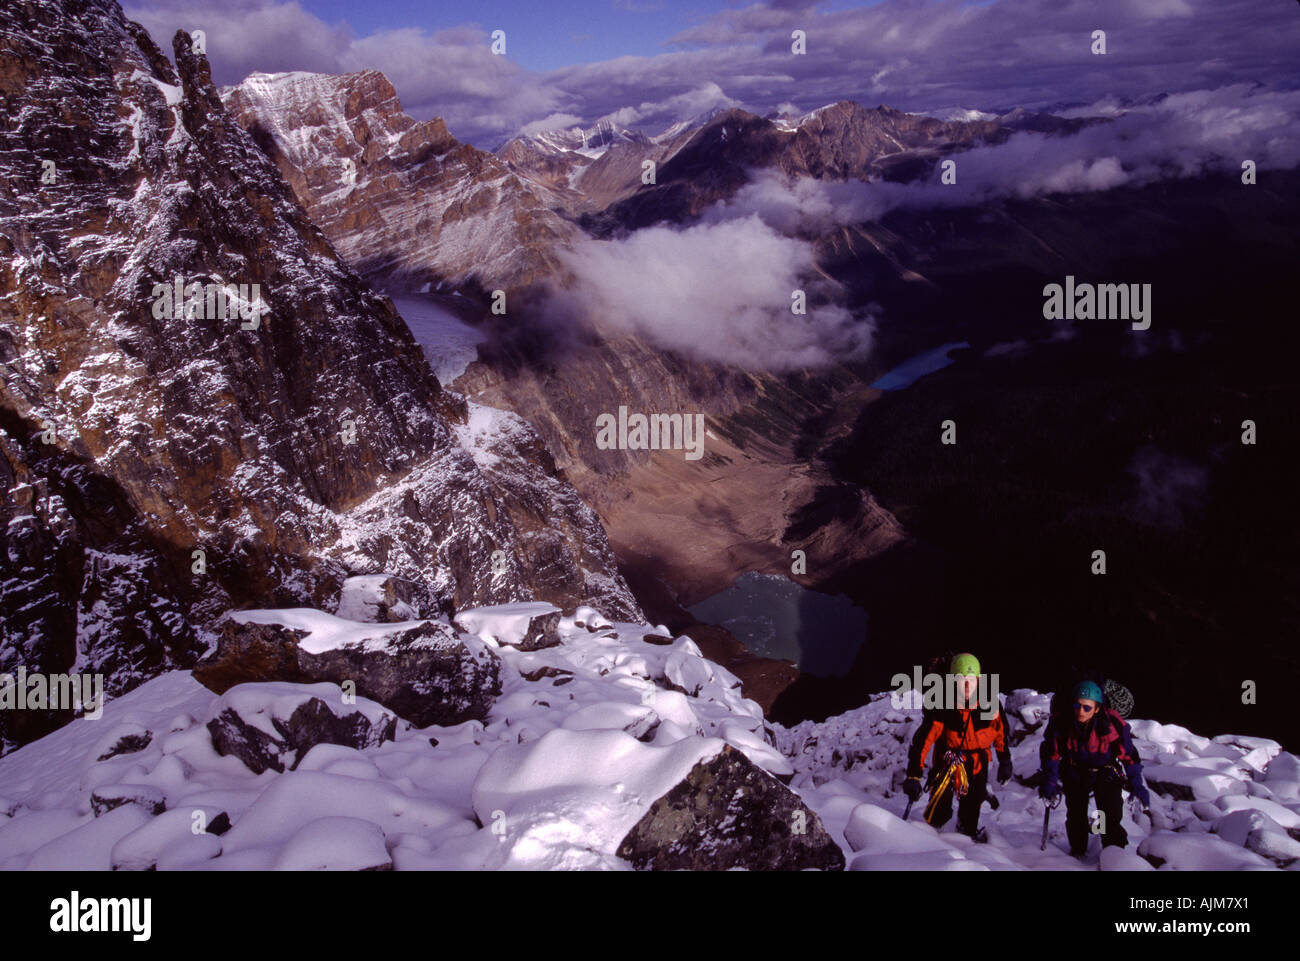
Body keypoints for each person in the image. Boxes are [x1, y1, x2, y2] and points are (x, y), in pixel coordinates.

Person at [903, 652, 1011, 839]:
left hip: (977, 764)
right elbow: (924, 740)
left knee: (971, 808)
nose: (967, 684)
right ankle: (930, 838)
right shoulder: (943, 705)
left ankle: (966, 841)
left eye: (971, 679)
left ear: (979, 680)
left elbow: (1000, 733)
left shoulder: (989, 704)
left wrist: (1005, 760)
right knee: (938, 808)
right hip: (948, 760)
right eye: (961, 679)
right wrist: (914, 774)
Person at [1039, 680, 1150, 857]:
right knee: (1076, 814)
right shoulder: (1063, 723)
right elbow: (1050, 753)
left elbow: (1128, 755)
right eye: (1077, 705)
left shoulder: (1111, 723)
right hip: (1075, 769)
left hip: (1104, 771)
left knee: (1108, 814)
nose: (1080, 711)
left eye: (1086, 707)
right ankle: (1078, 851)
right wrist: (1049, 782)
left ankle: (1112, 852)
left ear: (1097, 708)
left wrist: (1138, 785)